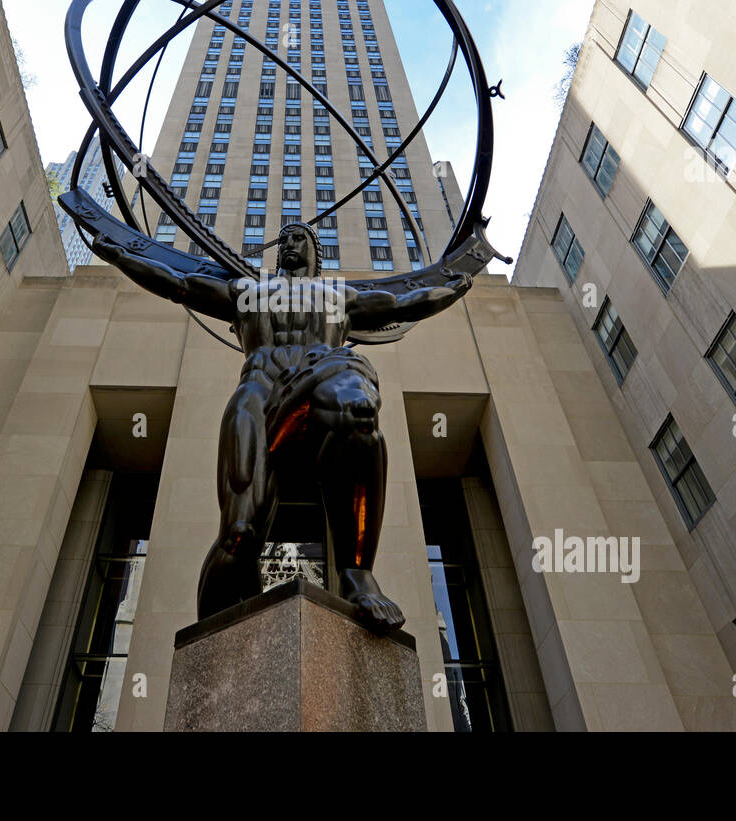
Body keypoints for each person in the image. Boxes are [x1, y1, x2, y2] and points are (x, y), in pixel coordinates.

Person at [91, 223, 471, 632]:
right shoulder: (248, 293)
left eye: (299, 238)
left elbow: (403, 305)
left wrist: (452, 288)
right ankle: (217, 631)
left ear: (316, 253)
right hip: (259, 389)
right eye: (284, 237)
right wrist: (121, 256)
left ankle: (358, 574)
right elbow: (179, 284)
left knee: (357, 407)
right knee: (239, 533)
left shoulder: (338, 296)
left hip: (318, 381)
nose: (289, 243)